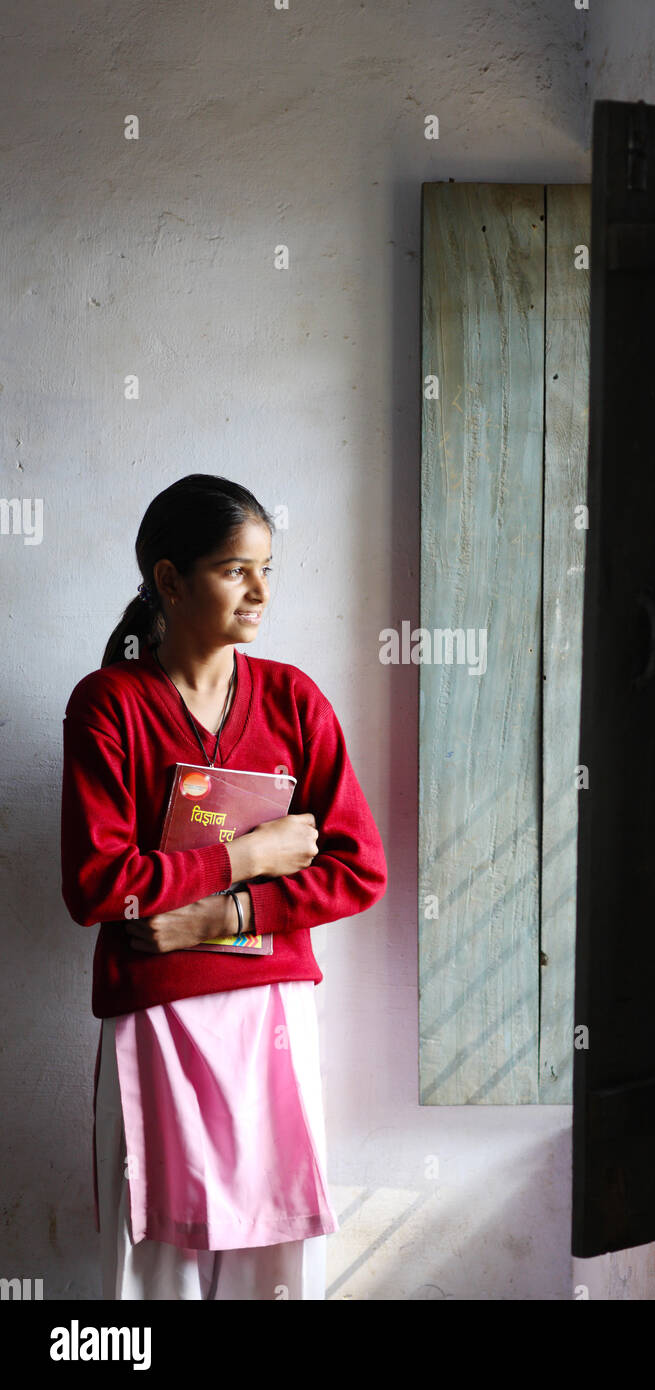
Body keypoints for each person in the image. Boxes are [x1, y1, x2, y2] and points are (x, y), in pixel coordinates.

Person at [60, 474, 388, 1299]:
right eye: (234, 569)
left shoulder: (294, 701)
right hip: (154, 1014)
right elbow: (98, 883)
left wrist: (219, 915)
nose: (260, 591)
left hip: (270, 1015)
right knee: (155, 1263)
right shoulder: (110, 706)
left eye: (268, 568)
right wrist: (252, 854)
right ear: (170, 580)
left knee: (275, 1255)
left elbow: (359, 869)